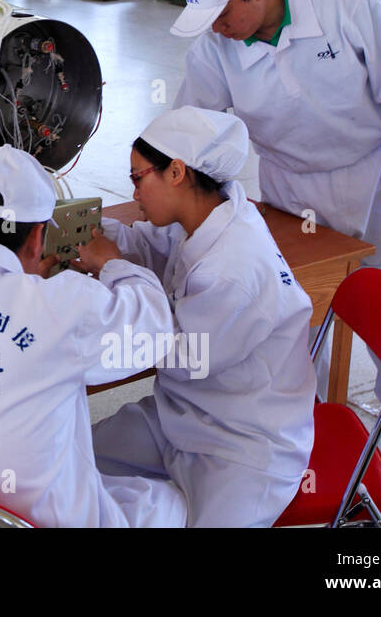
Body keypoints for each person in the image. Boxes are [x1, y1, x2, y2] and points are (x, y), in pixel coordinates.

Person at [170, 0, 381, 489]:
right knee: (297, 316)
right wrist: (174, 178)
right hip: (290, 191)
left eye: (224, 14)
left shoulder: (344, 3)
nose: (218, 29)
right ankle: (305, 427)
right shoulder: (217, 46)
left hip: (376, 178)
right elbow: (194, 122)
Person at [0, 145, 188, 528]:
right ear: (37, 238)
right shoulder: (61, 306)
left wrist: (28, 287)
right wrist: (112, 262)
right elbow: (152, 331)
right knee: (174, 503)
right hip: (50, 522)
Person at [82, 106, 316, 528]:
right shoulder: (208, 214)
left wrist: (114, 269)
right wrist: (90, 231)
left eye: (138, 178)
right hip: (184, 413)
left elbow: (181, 356)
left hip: (241, 444)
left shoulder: (235, 266)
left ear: (175, 172)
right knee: (75, 461)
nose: (134, 194)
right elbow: (153, 248)